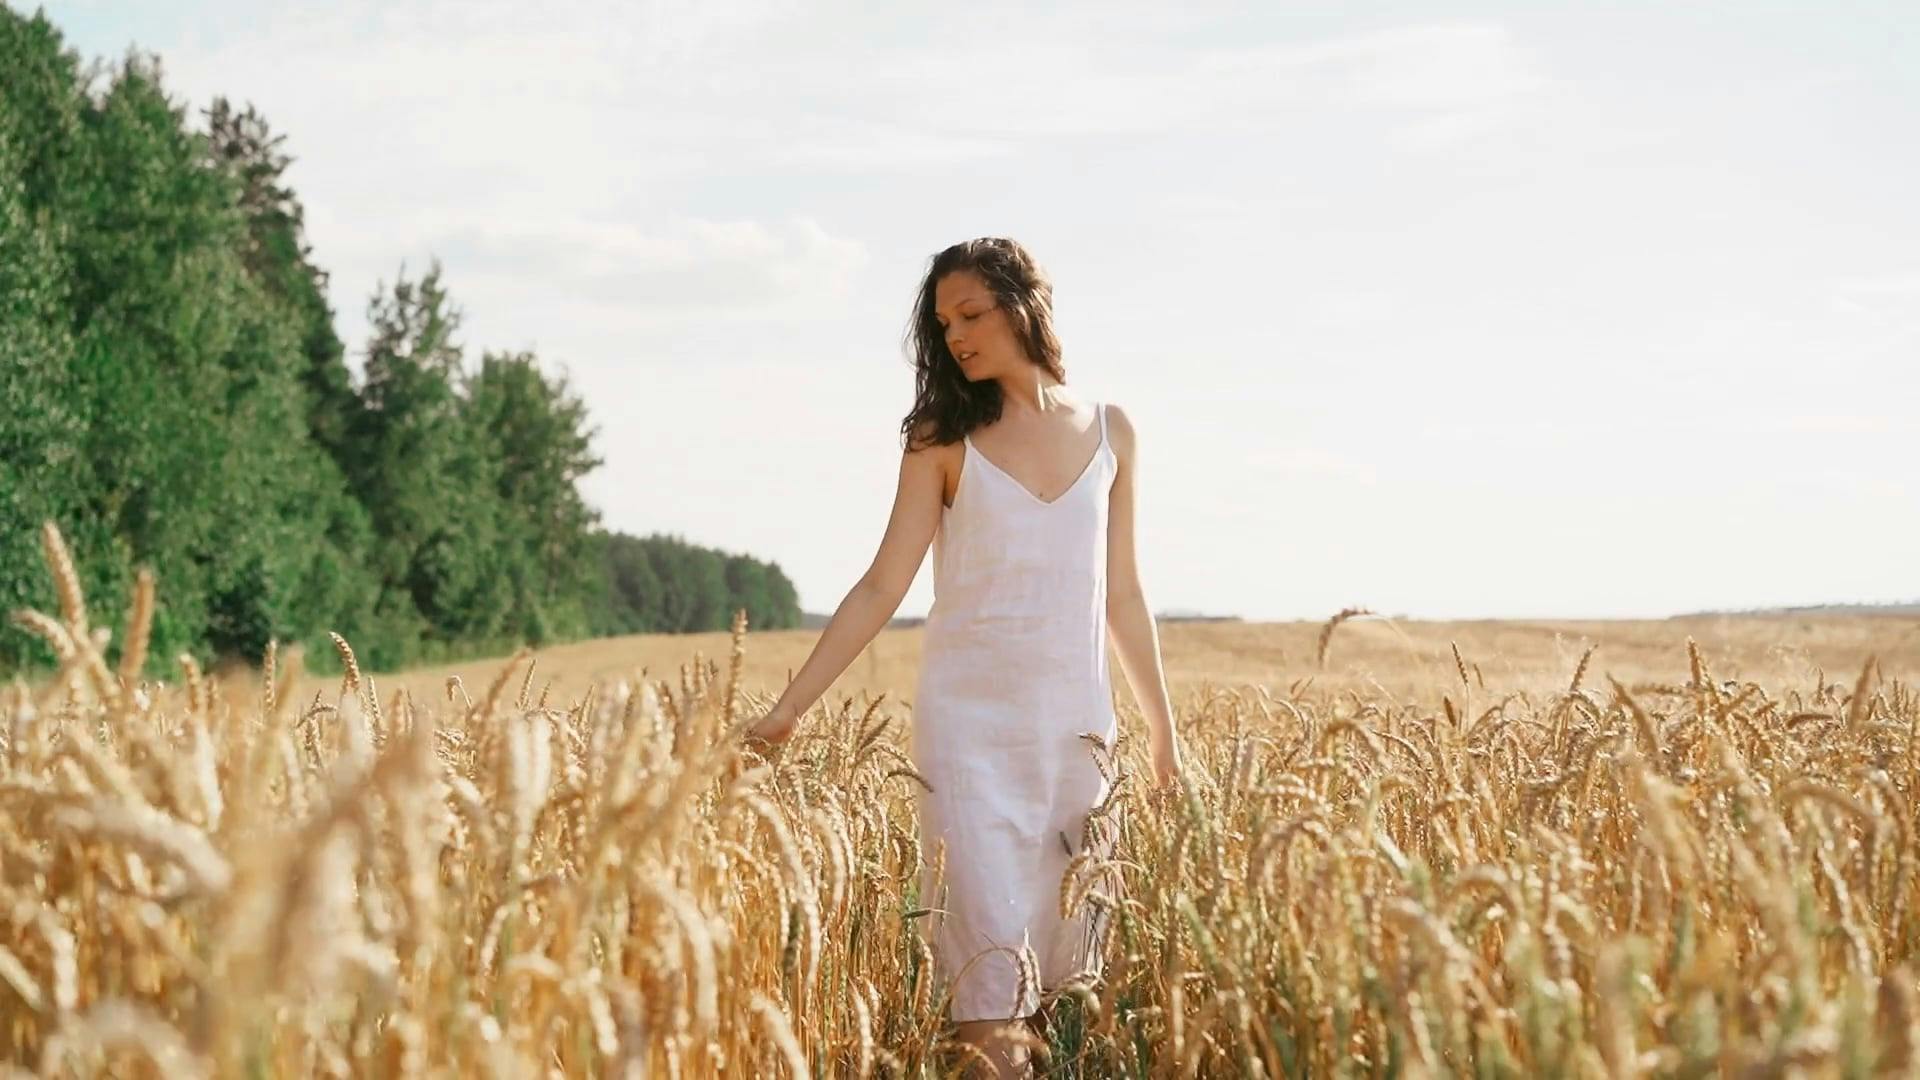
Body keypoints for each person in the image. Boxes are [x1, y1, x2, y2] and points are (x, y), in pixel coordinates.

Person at [744, 236, 1183, 1078]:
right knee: (990, 993)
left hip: (1078, 745)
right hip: (970, 745)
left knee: (1069, 990)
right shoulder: (943, 439)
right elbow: (880, 587)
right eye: (943, 323)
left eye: (971, 313)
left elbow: (1123, 597)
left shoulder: (1113, 431)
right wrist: (787, 709)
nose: (955, 336)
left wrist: (1162, 737)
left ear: (1025, 304)